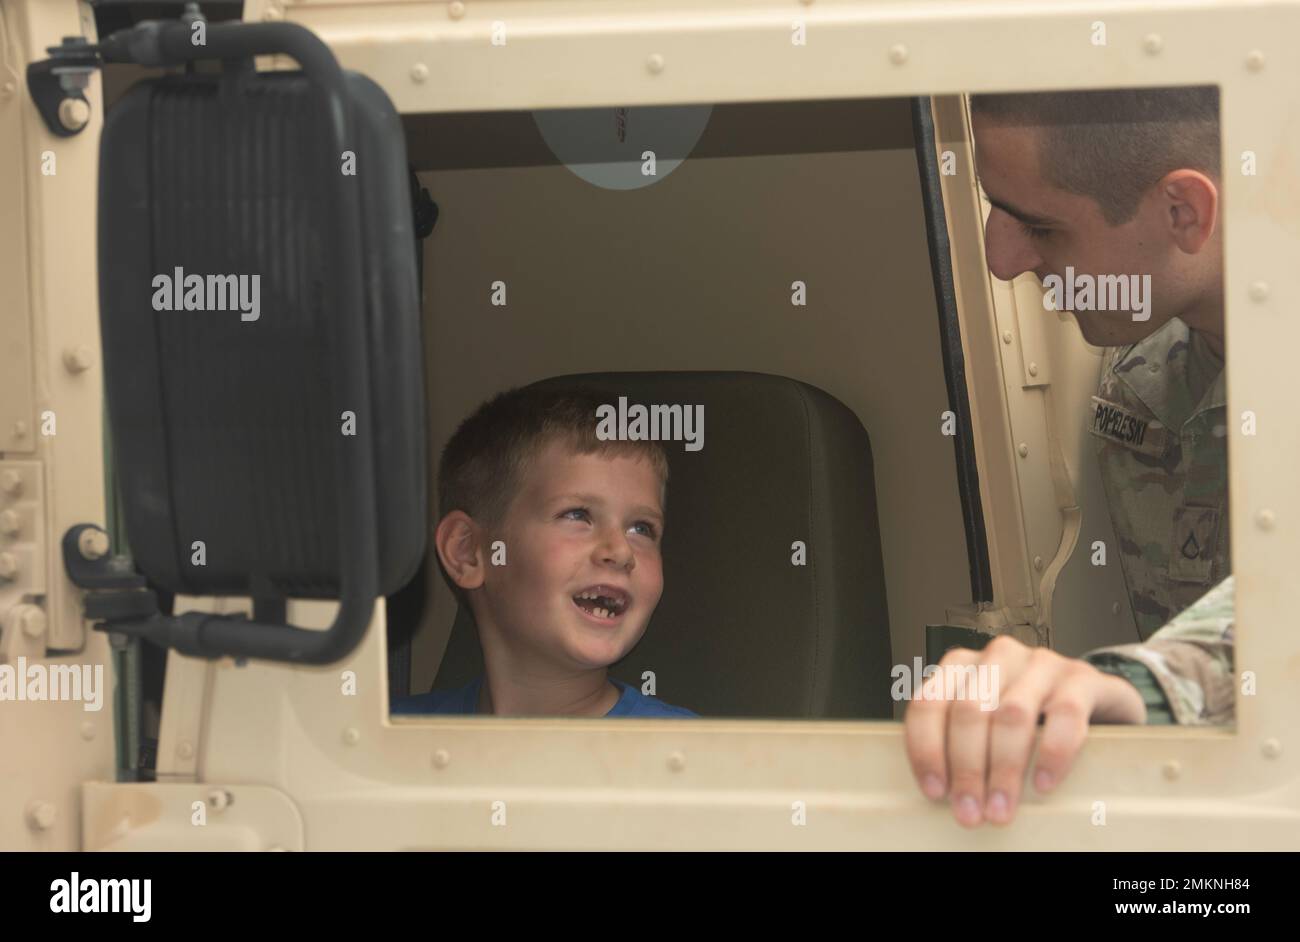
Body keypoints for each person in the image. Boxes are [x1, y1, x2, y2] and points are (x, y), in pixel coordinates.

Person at [904, 87, 1232, 827]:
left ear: (1184, 213)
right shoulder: (1141, 384)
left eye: (1040, 226)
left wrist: (1128, 689)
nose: (999, 258)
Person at [391, 386, 696, 718]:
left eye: (642, 528)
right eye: (577, 515)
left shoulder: (694, 756)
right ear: (468, 552)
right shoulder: (385, 740)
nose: (622, 551)